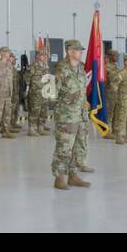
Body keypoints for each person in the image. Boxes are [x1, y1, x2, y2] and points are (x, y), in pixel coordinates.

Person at [51, 40, 91, 190]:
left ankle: (73, 175)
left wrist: (84, 101)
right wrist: (70, 98)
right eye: (78, 50)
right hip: (66, 115)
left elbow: (81, 88)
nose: (81, 52)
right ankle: (59, 177)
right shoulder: (61, 69)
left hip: (80, 113)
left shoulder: (80, 68)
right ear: (69, 51)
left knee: (79, 145)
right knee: (64, 146)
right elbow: (52, 93)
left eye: (81, 50)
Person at [0, 47, 17, 140]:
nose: (9, 54)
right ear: (2, 53)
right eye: (8, 52)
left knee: (7, 113)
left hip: (8, 93)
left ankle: (5, 130)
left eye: (9, 52)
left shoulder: (9, 65)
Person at [25, 50, 53, 134]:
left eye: (45, 55)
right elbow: (27, 78)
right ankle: (32, 129)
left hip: (45, 92)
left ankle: (41, 127)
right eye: (42, 55)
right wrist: (28, 90)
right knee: (35, 111)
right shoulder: (33, 66)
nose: (45, 57)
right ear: (38, 57)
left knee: (44, 111)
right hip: (35, 93)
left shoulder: (46, 66)